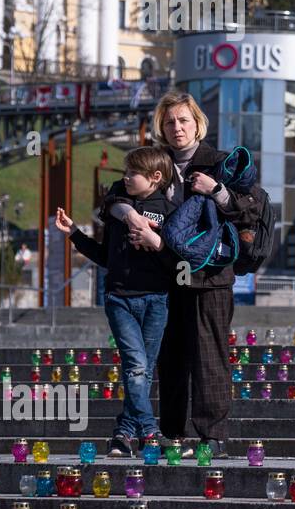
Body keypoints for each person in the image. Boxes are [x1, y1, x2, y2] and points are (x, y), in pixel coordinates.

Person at [111, 91, 263, 459]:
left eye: (183, 120)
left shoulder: (219, 163)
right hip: (165, 278)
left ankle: (211, 436)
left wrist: (218, 192)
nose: (176, 127)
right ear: (161, 128)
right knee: (170, 357)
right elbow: (115, 194)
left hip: (210, 278)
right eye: (169, 121)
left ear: (197, 123)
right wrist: (130, 215)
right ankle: (172, 432)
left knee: (209, 355)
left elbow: (251, 210)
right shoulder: (155, 162)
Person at [55, 145, 176, 457]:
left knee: (144, 370)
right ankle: (150, 432)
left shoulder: (169, 210)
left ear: (156, 177)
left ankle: (122, 434)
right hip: (120, 300)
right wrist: (74, 234)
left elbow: (175, 260)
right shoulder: (118, 202)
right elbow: (104, 256)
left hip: (156, 301)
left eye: (133, 172)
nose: (126, 177)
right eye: (126, 171)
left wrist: (155, 242)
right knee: (136, 366)